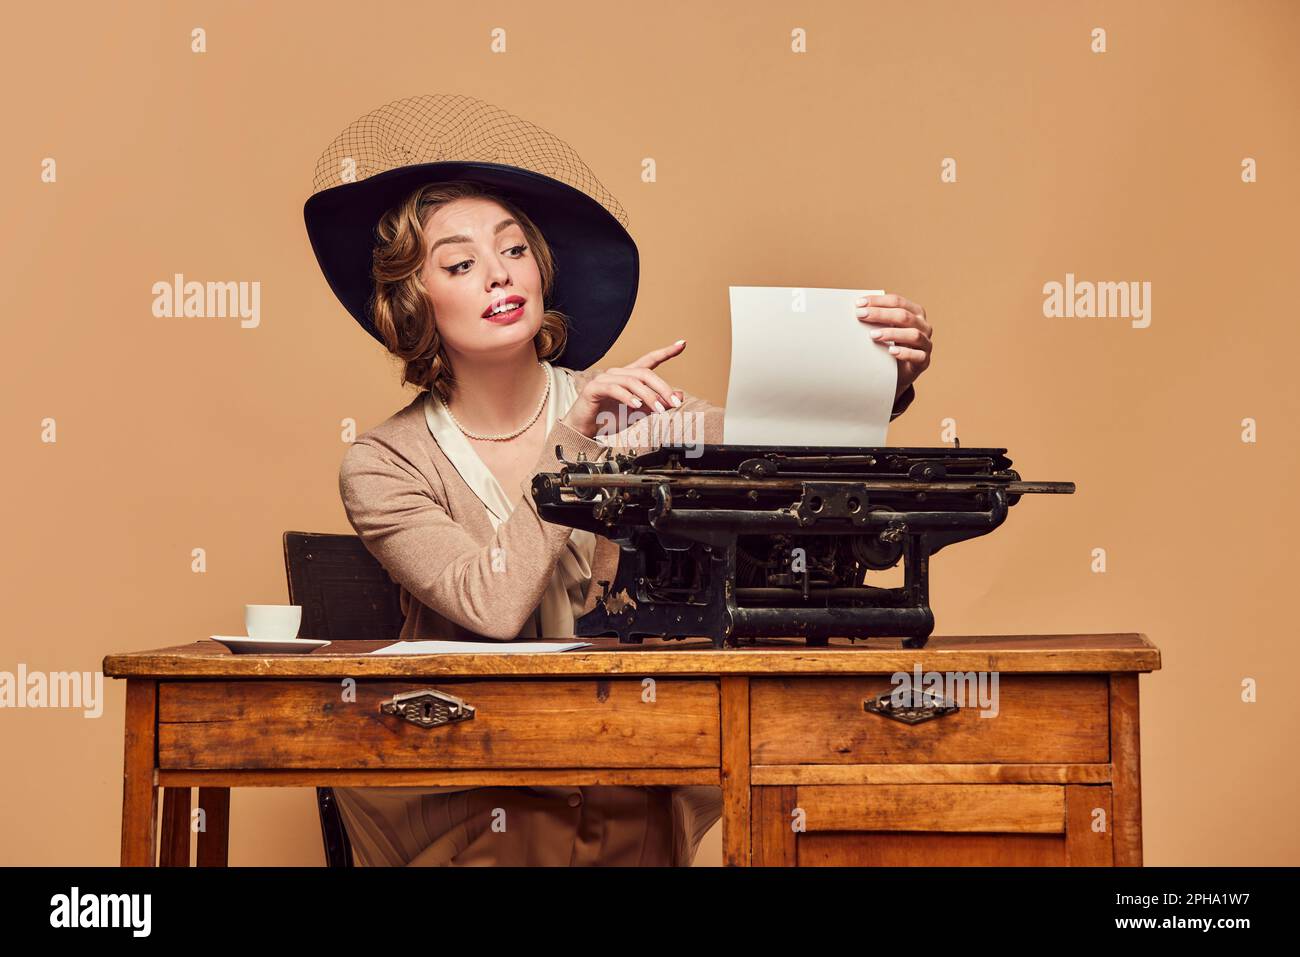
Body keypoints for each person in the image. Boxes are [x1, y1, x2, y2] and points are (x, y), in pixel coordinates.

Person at [302, 94, 931, 866]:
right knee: (554, 828)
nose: (499, 275)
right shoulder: (382, 462)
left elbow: (777, 445)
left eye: (514, 250)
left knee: (710, 809)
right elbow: (491, 606)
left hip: (630, 759)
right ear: (415, 302)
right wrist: (578, 437)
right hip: (468, 776)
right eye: (461, 263)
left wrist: (881, 377)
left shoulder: (632, 409)